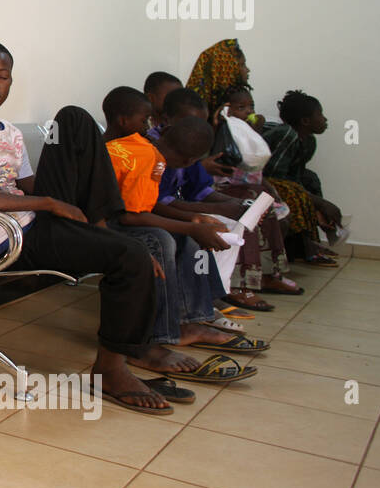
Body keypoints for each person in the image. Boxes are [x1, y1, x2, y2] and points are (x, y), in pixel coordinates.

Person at [0, 43, 196, 415]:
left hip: (38, 223)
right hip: (8, 240)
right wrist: (51, 203)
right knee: (132, 255)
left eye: (2, 76)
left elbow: (28, 185)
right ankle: (110, 369)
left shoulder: (10, 133)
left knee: (73, 120)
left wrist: (67, 186)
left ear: (10, 83)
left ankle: (104, 224)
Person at [101, 86, 264, 372]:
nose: (147, 126)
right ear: (191, 162)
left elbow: (146, 206)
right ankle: (159, 336)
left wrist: (193, 223)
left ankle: (190, 321)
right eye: (144, 121)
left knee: (185, 239)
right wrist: (188, 226)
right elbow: (130, 217)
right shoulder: (146, 159)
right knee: (163, 240)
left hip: (120, 218)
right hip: (103, 224)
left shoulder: (151, 155)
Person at [154, 87, 299, 310]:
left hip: (179, 208)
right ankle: (214, 297)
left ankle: (219, 292)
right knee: (211, 228)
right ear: (168, 120)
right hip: (162, 214)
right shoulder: (159, 151)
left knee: (240, 214)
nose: (199, 129)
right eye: (190, 122)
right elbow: (157, 203)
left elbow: (201, 189)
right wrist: (209, 213)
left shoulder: (189, 148)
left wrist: (232, 205)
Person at [261, 89, 342, 266]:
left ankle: (313, 240)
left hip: (281, 178)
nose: (325, 119)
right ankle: (305, 246)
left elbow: (296, 175)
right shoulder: (286, 135)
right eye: (320, 114)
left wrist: (315, 206)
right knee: (293, 191)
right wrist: (320, 203)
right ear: (305, 121)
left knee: (310, 179)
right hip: (261, 178)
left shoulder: (309, 141)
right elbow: (274, 176)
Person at [186, 38, 251, 178]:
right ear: (226, 69)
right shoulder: (194, 111)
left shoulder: (237, 105)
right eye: (242, 65)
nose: (247, 70)